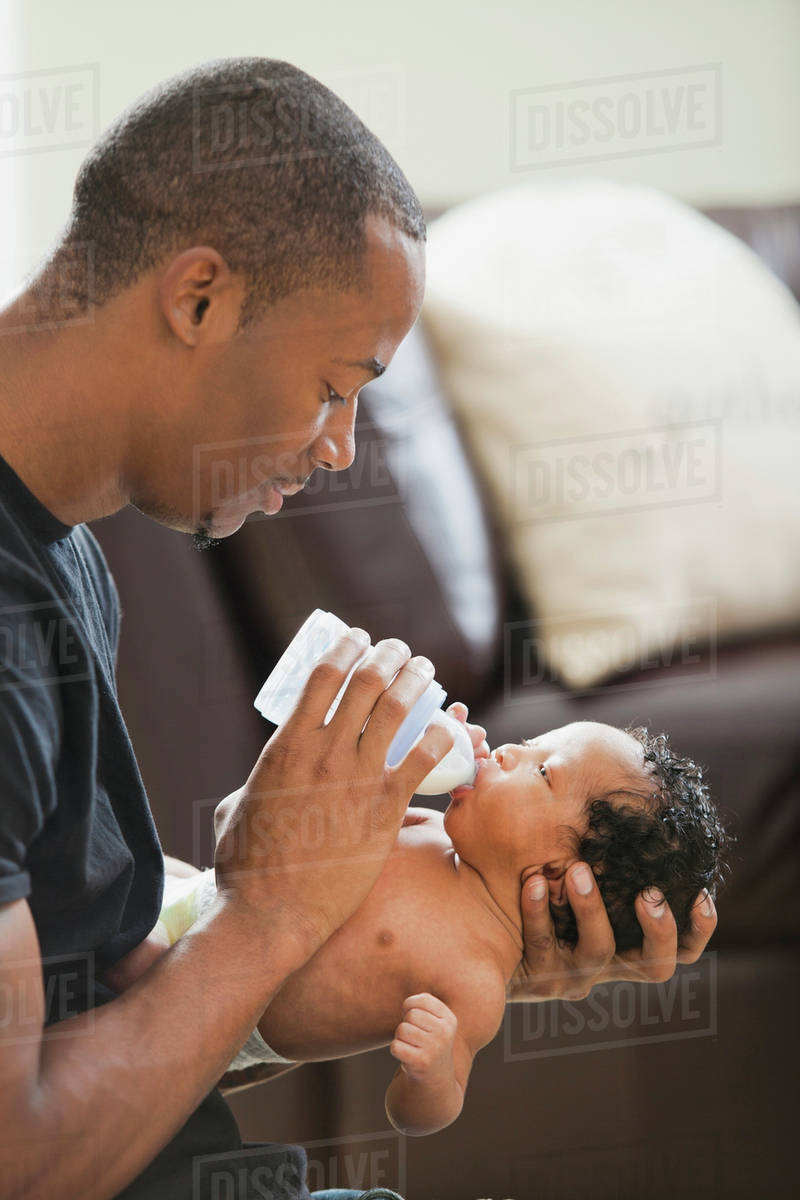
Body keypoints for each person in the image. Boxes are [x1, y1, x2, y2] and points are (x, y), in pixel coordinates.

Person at [0, 56, 717, 1200]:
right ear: (198, 299)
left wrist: (411, 950)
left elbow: (104, 1021)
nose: (338, 448)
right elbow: (20, 1160)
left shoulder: (67, 557)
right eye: (335, 385)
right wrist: (267, 917)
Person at [141, 715, 729, 1137]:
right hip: (200, 898)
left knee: (133, 958)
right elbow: (326, 825)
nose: (506, 751)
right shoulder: (429, 830)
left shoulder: (476, 978)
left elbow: (422, 1116)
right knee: (143, 884)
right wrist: (393, 763)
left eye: (541, 770)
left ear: (558, 876)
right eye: (529, 742)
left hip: (220, 1015)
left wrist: (431, 1073)